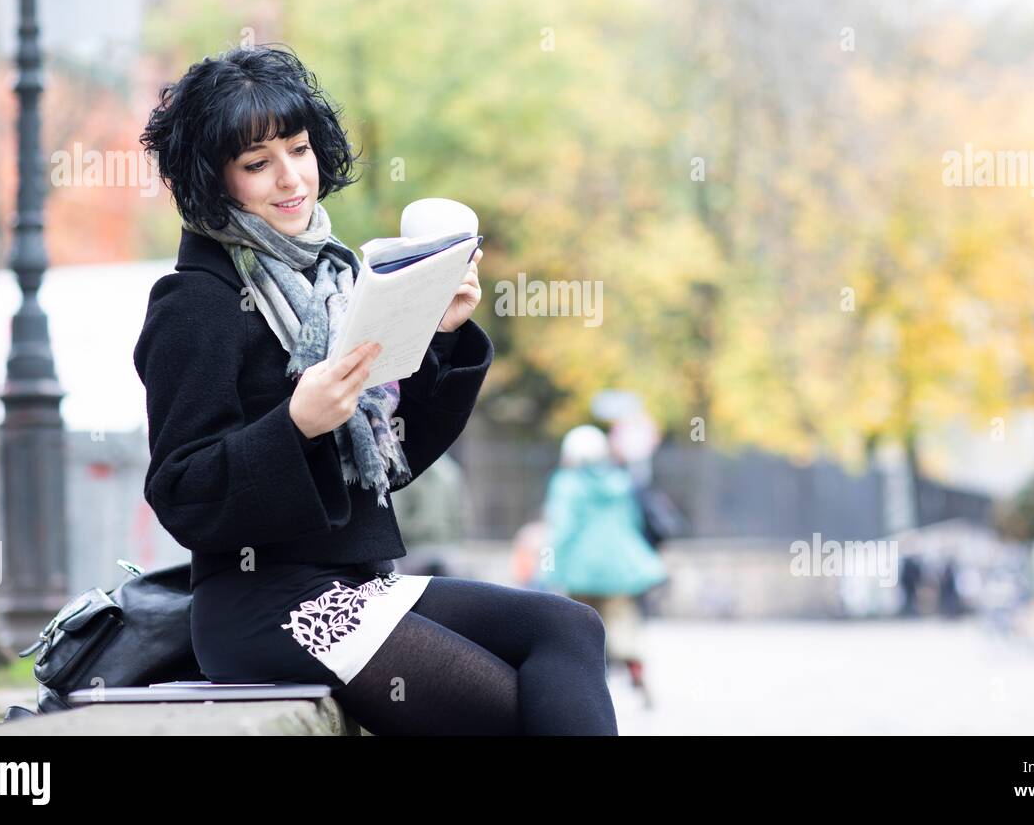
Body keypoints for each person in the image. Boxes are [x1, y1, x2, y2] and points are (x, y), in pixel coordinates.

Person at [133, 45, 617, 735]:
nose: (291, 178)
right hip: (267, 603)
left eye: (298, 150)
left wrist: (442, 337)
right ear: (214, 181)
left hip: (356, 586)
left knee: (569, 628)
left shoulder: (333, 282)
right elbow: (180, 491)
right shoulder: (196, 303)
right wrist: (292, 426)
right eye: (256, 163)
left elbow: (393, 462)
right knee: (520, 711)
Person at [539, 424, 668, 709]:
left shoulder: (566, 484)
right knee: (622, 623)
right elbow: (633, 522)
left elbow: (561, 529)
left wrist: (547, 568)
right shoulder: (619, 481)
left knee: (582, 625)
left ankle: (588, 681)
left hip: (579, 568)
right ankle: (634, 666)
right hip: (619, 567)